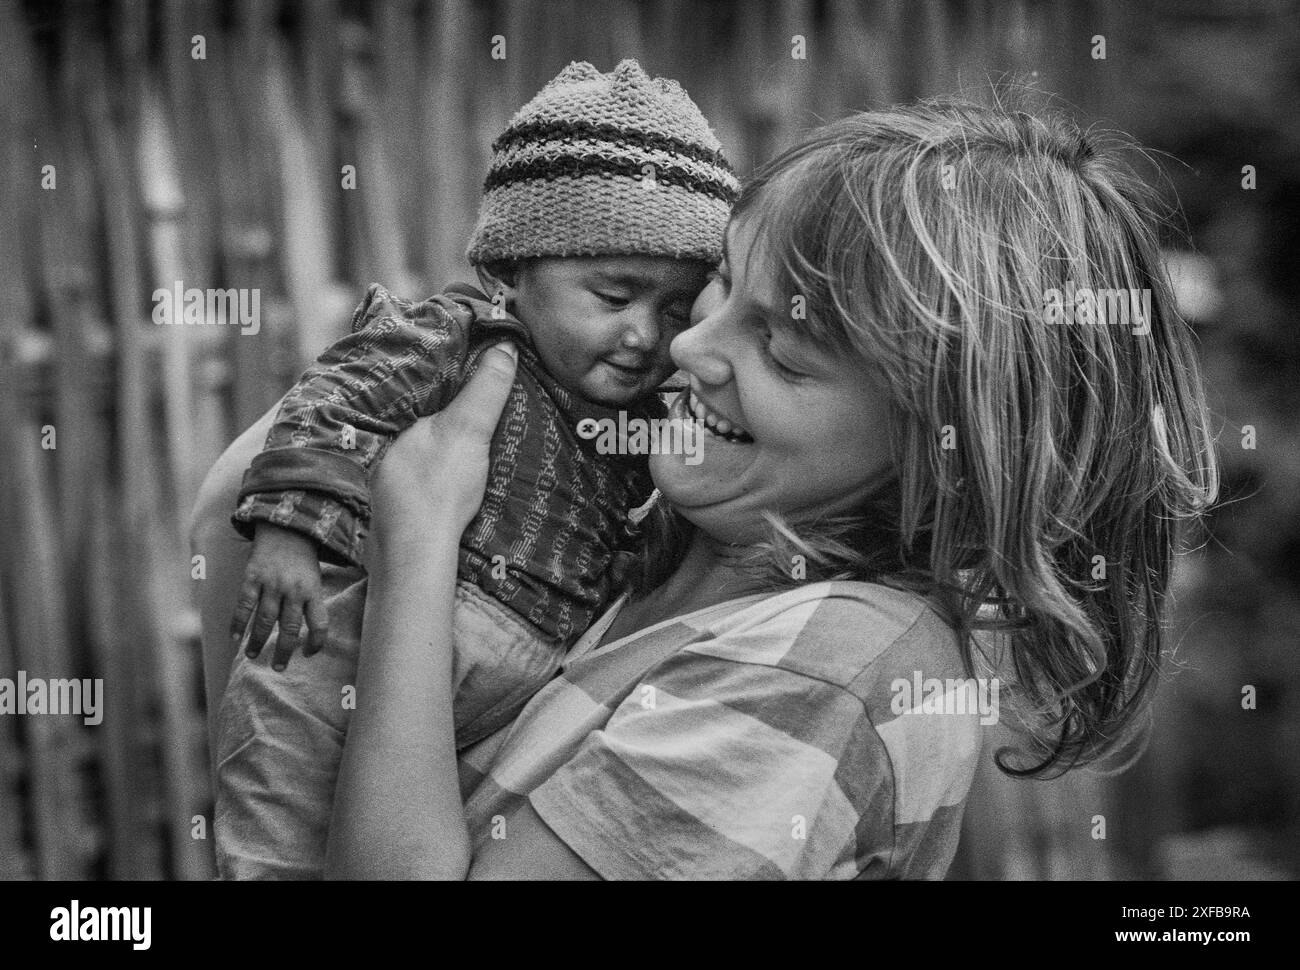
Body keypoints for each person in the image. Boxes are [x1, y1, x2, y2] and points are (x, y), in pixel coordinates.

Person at [200, 94, 1218, 880]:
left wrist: (416, 546)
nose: (685, 343)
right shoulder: (643, 536)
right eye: (720, 288)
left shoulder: (839, 668)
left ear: (944, 448)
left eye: (781, 350)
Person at [211, 59, 737, 879]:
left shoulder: (651, 420)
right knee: (281, 828)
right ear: (510, 272)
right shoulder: (454, 340)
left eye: (675, 308)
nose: (644, 333)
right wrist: (286, 531)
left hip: (507, 674)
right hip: (347, 642)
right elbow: (336, 401)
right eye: (613, 295)